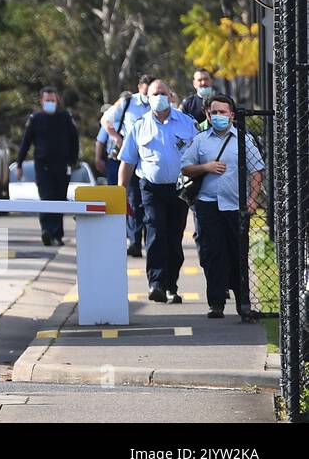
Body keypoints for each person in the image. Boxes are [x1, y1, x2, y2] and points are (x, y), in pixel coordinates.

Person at [180, 95, 264, 320]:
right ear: (207, 115)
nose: (218, 116)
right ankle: (216, 304)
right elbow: (186, 168)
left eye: (223, 112)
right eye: (214, 112)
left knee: (238, 254)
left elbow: (257, 171)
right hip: (208, 205)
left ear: (232, 115)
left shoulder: (244, 139)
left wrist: (252, 199)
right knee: (213, 255)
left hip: (235, 206)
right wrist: (205, 167)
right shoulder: (200, 141)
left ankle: (243, 305)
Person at [117, 78, 199, 303]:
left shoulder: (186, 123)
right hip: (150, 189)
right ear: (148, 98)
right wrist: (120, 192)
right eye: (155, 94)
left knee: (174, 237)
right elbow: (127, 162)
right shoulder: (139, 125)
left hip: (179, 189)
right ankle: (156, 283)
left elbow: (200, 155)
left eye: (163, 93)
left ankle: (171, 285)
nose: (159, 98)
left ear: (171, 96)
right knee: (155, 232)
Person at [14, 86, 80, 247]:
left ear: (57, 100)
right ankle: (47, 231)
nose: (50, 103)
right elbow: (26, 142)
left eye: (52, 100)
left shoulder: (65, 117)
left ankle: (57, 234)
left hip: (62, 166)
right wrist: (19, 163)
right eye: (47, 100)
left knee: (59, 199)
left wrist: (73, 161)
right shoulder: (36, 119)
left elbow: (74, 140)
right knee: (46, 198)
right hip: (43, 166)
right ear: (41, 101)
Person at [101, 78, 152, 256]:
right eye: (145, 92)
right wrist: (117, 138)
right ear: (139, 88)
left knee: (148, 202)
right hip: (129, 158)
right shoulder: (127, 102)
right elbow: (105, 120)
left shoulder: (159, 104)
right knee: (133, 200)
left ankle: (147, 240)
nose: (149, 97)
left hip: (149, 160)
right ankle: (134, 240)